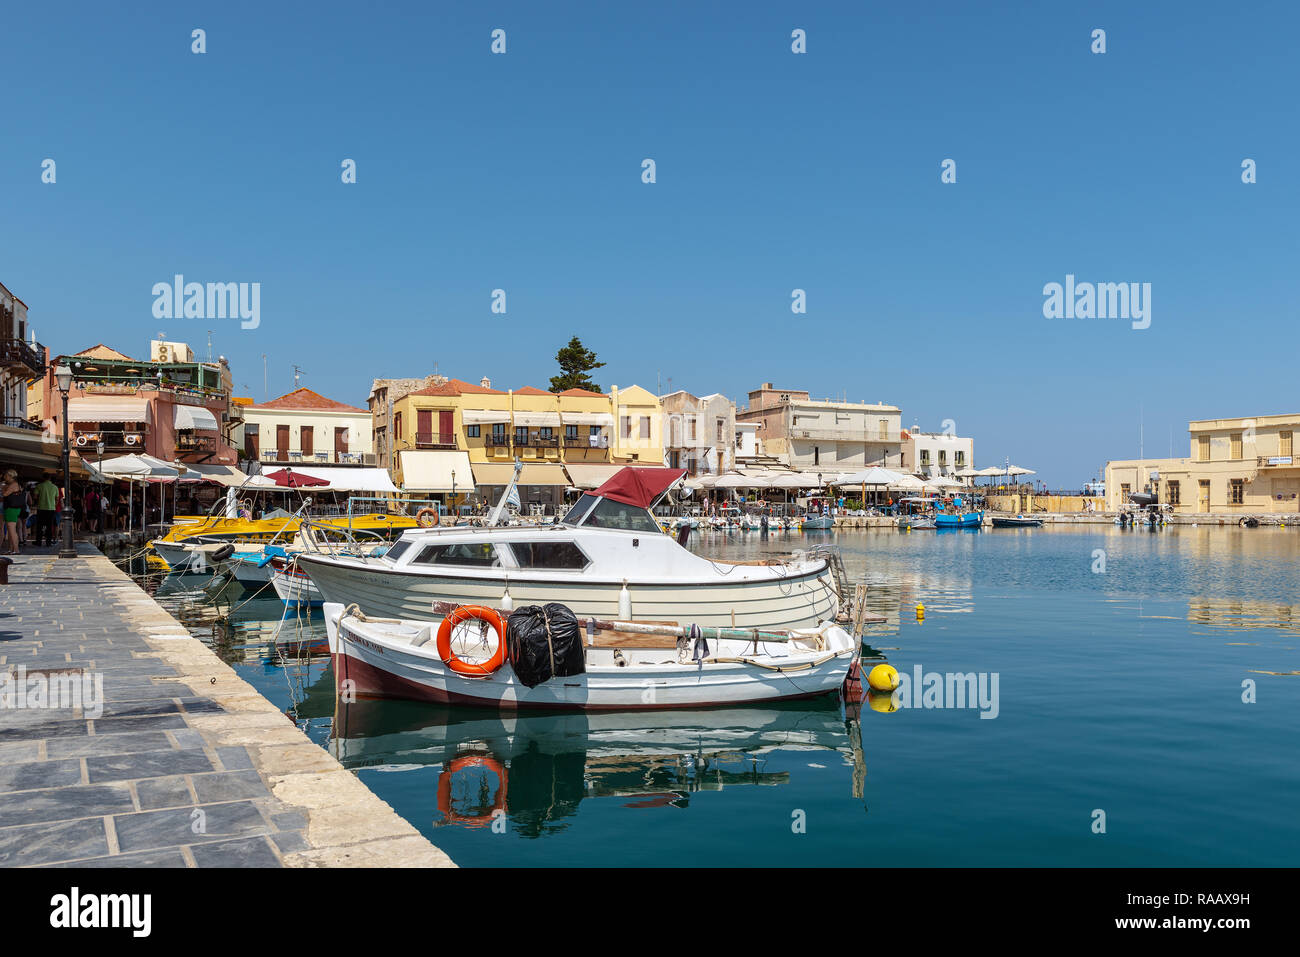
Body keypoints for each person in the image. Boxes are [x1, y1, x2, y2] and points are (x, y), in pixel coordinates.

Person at [2, 470, 24, 554]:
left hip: (12, 509)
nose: (5, 477)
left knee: (12, 530)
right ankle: (11, 549)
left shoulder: (13, 484)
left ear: (11, 476)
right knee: (10, 530)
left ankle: (16, 550)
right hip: (11, 509)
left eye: (6, 476)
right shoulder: (14, 484)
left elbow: (5, 494)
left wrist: (3, 488)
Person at [34, 473, 59, 547]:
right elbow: (57, 499)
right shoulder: (55, 487)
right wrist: (54, 505)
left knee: (39, 526)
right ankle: (48, 542)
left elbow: (35, 497)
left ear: (43, 478)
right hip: (51, 509)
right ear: (50, 478)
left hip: (41, 508)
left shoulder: (39, 486)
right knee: (49, 526)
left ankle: (38, 542)